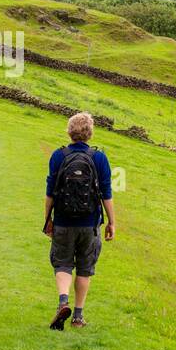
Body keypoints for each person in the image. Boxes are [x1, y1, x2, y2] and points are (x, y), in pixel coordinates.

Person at [43, 112, 114, 330]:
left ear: (70, 131)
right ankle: (78, 316)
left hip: (63, 221)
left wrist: (48, 220)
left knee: (63, 263)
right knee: (85, 268)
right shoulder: (99, 158)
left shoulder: (58, 155)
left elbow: (50, 193)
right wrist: (111, 222)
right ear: (90, 133)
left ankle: (63, 301)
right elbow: (106, 193)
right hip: (90, 224)